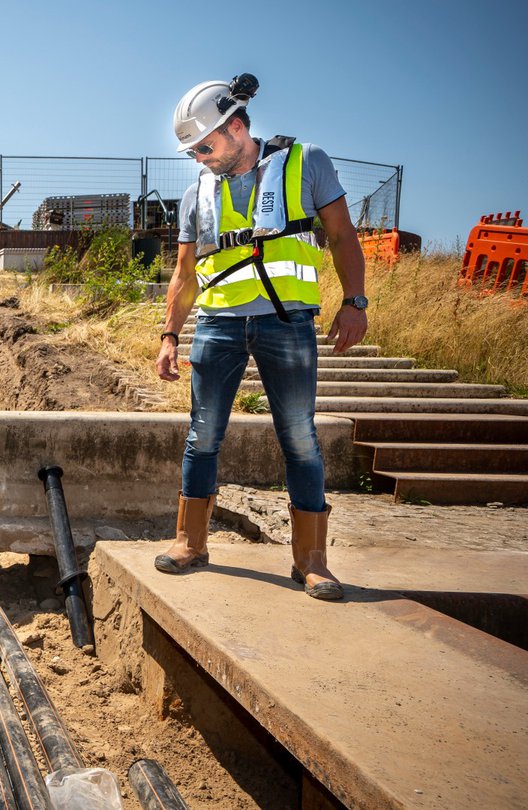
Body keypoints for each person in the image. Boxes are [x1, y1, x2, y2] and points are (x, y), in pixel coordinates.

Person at [153, 74, 368, 600]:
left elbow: (341, 235)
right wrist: (168, 335)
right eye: (193, 152)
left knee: (299, 438)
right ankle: (190, 542)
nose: (200, 157)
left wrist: (355, 302)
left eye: (206, 146)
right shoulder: (196, 192)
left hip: (287, 321)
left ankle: (312, 561)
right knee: (202, 435)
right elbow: (183, 274)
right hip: (218, 323)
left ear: (238, 125)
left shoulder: (305, 162)